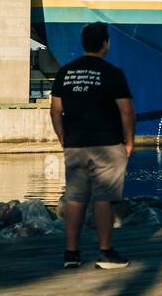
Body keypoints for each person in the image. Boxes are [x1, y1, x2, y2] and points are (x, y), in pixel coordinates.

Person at [50, 21, 135, 270]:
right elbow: (127, 111)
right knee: (103, 198)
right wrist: (129, 142)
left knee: (75, 198)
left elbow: (55, 110)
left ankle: (71, 254)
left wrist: (62, 137)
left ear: (83, 43)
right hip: (107, 144)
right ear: (105, 44)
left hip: (75, 144)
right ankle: (105, 252)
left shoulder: (65, 72)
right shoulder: (113, 73)